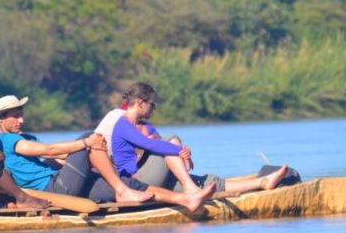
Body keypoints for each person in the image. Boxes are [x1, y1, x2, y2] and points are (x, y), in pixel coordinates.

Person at [104, 82, 289, 199]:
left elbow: (162, 143)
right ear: (139, 103)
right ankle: (190, 188)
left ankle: (262, 183)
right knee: (171, 140)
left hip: (154, 176)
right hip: (137, 181)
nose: (154, 108)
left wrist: (183, 152)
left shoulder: (146, 125)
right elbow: (151, 145)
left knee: (205, 181)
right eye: (152, 104)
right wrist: (177, 150)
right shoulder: (122, 124)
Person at [0, 95, 152, 204]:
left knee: (89, 150)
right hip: (54, 189)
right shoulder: (7, 140)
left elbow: (60, 155)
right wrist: (87, 143)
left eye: (21, 114)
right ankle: (121, 187)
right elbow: (50, 150)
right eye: (16, 116)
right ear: (2, 119)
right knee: (88, 138)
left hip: (58, 180)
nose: (22, 120)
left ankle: (125, 187)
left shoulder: (26, 137)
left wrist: (93, 158)